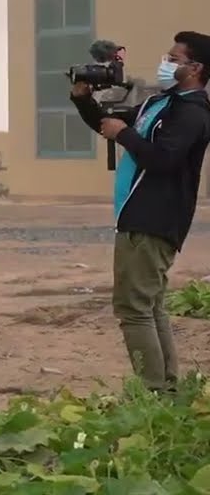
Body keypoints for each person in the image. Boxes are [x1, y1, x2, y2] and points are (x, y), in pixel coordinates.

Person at [71, 30, 210, 391]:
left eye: (173, 59)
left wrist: (123, 135)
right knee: (150, 307)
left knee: (133, 309)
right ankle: (166, 388)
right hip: (136, 215)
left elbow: (164, 159)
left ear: (195, 68)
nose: (165, 63)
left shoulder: (194, 113)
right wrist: (83, 99)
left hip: (156, 219)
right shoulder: (158, 104)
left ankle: (151, 393)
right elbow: (107, 124)